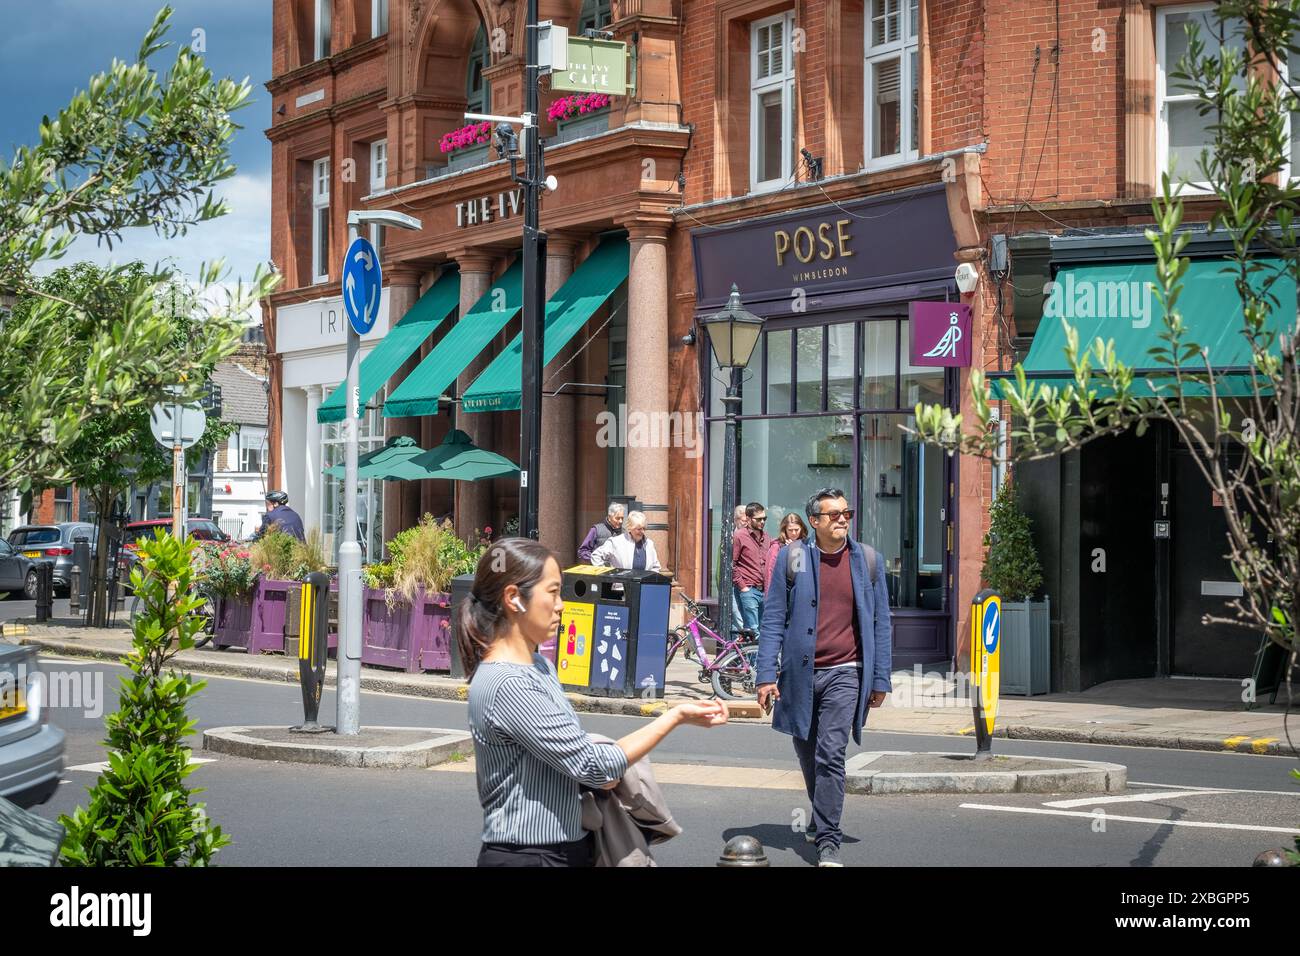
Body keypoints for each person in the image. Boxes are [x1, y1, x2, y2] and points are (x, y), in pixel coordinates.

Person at [462, 537, 727, 866]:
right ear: (514, 597)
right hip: (530, 855)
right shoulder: (508, 684)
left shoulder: (539, 666)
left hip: (565, 847)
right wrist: (673, 718)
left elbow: (583, 762)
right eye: (553, 591)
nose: (561, 604)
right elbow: (595, 768)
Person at [756, 488, 892, 868]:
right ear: (813, 521)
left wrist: (880, 678)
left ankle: (828, 838)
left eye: (846, 512)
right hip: (800, 676)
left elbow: (881, 623)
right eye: (833, 514)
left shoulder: (868, 561)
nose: (842, 519)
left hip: (845, 673)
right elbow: (772, 620)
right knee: (807, 750)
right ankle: (820, 813)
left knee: (831, 753)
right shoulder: (793, 558)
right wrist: (766, 675)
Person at [732, 501, 770, 633]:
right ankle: (751, 654)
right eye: (758, 519)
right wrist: (743, 586)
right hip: (749, 589)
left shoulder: (766, 537)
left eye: (764, 518)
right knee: (753, 631)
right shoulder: (740, 536)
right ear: (748, 519)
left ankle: (756, 654)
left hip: (764, 590)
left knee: (764, 630)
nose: (762, 522)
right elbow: (732, 564)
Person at [590, 511, 661, 571]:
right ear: (630, 528)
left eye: (644, 528)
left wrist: (650, 582)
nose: (642, 531)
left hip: (644, 586)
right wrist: (606, 574)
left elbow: (655, 567)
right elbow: (596, 555)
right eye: (639, 529)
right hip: (621, 586)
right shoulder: (616, 542)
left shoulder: (649, 544)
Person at [764, 512, 809, 591]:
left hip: (802, 591)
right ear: (784, 530)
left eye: (796, 529)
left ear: (802, 528)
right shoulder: (776, 547)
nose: (794, 533)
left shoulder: (807, 545)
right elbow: (770, 572)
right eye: (790, 530)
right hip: (782, 591)